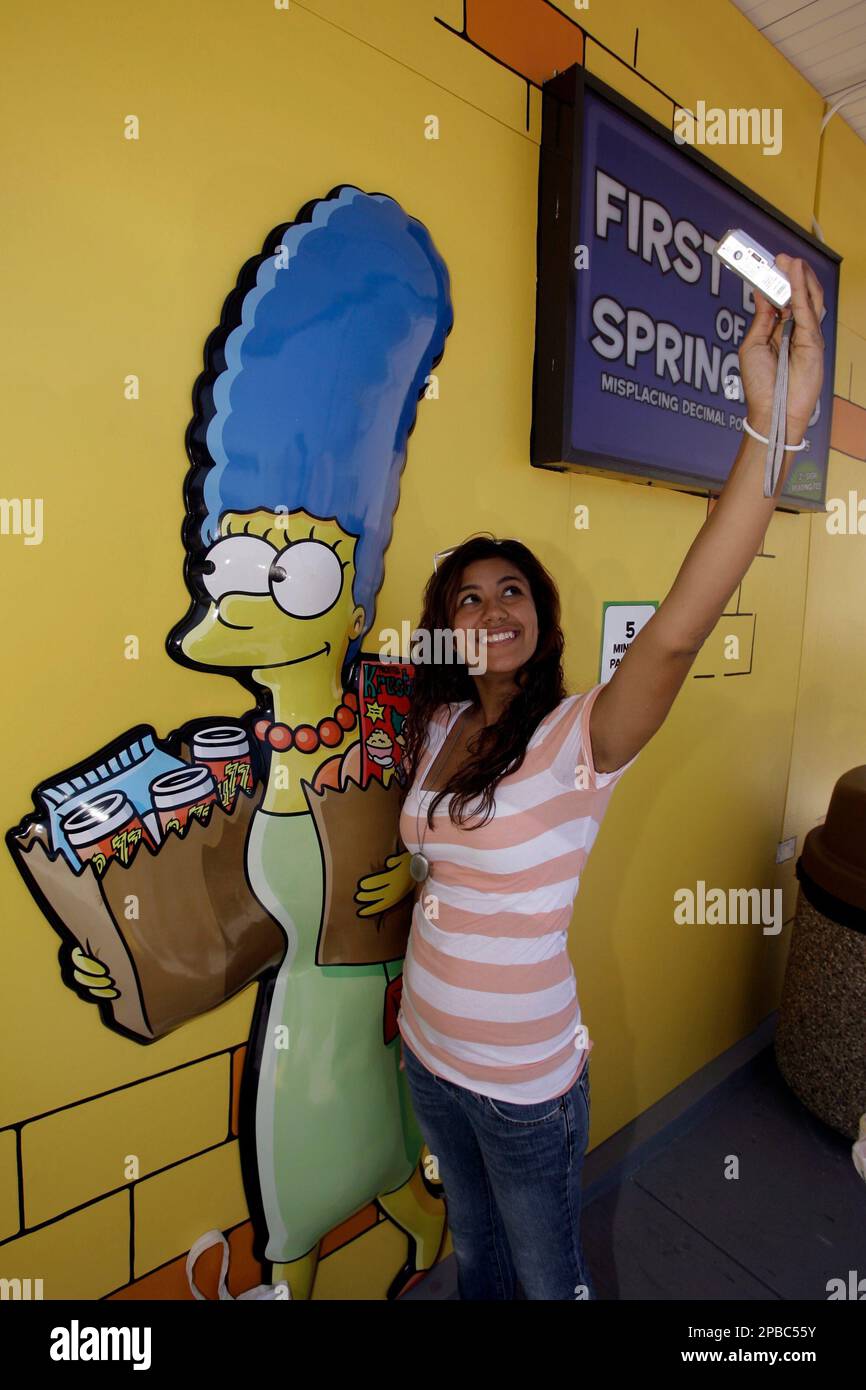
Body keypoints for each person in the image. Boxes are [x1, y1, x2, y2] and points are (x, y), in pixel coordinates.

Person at [395, 255, 826, 1300]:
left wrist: (768, 428)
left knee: (547, 1281)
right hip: (424, 1054)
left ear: (538, 618)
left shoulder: (579, 735)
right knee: (473, 1258)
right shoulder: (439, 721)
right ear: (445, 626)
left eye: (510, 591)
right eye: (464, 597)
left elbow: (678, 631)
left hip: (525, 1085)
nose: (489, 608)